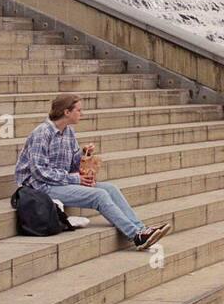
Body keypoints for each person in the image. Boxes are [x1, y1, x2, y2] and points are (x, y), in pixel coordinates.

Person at [14, 94, 170, 251]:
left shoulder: (68, 132)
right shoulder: (42, 133)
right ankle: (135, 235)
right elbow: (39, 171)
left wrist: (84, 154)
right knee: (99, 195)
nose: (82, 114)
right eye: (79, 110)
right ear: (67, 112)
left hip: (60, 182)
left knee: (111, 189)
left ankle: (142, 229)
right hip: (39, 187)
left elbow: (73, 164)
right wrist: (76, 179)